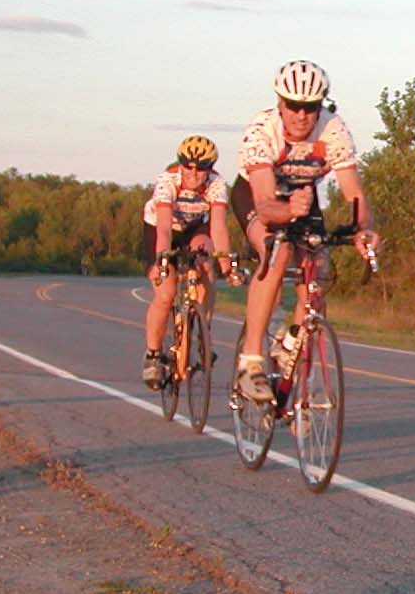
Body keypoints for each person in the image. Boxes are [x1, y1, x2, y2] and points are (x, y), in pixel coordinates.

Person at [231, 60, 379, 402]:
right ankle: (250, 362)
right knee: (277, 251)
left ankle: (291, 342)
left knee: (319, 272)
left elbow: (354, 193)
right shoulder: (261, 130)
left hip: (303, 196)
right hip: (257, 195)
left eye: (310, 107)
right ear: (280, 104)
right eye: (293, 106)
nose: (301, 115)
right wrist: (287, 211)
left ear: (321, 106)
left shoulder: (333, 129)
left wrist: (363, 230)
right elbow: (265, 203)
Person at [140, 135, 238, 389]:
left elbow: (218, 227)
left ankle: (203, 332)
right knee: (166, 293)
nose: (194, 173)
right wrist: (162, 262)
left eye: (201, 168)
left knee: (206, 264)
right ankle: (153, 355)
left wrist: (227, 266)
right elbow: (163, 228)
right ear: (180, 164)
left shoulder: (216, 184)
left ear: (210, 168)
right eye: (189, 166)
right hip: (162, 229)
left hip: (195, 228)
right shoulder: (168, 181)